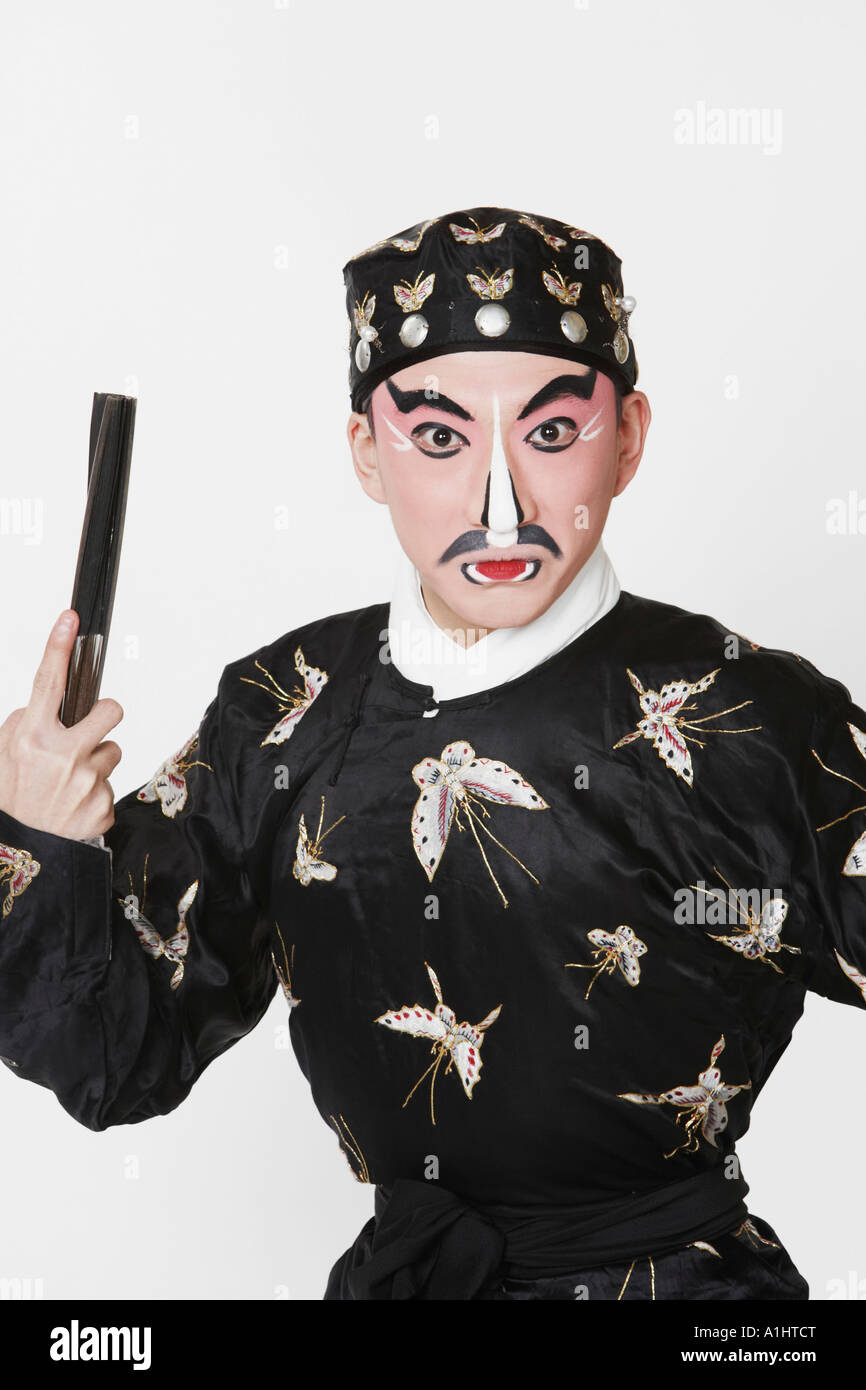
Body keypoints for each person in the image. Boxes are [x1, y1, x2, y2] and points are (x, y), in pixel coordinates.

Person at [0, 205, 864, 1302]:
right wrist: (43, 840)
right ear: (367, 449)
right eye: (440, 438)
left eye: (551, 433)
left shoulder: (740, 710)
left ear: (629, 435)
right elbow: (115, 1060)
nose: (499, 504)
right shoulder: (286, 709)